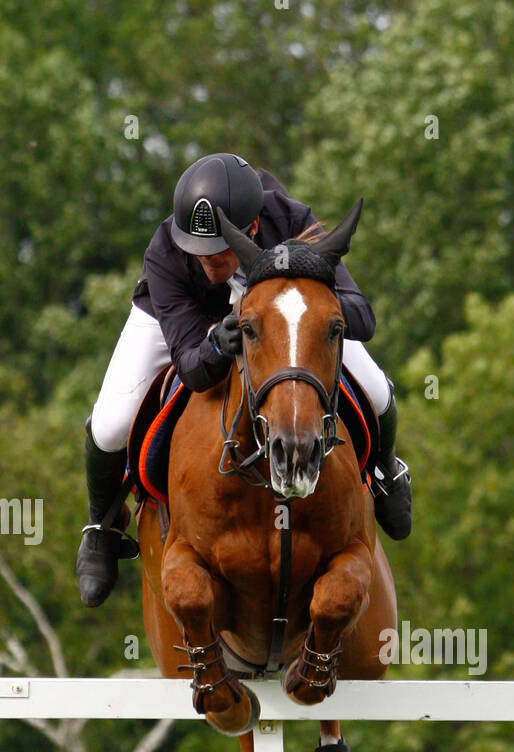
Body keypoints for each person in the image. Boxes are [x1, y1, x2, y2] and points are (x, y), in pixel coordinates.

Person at [76, 152, 411, 607]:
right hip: (186, 325)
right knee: (112, 422)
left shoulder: (292, 221)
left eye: (218, 252)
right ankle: (101, 526)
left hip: (282, 319)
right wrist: (218, 345)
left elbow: (362, 316)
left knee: (373, 385)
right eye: (199, 251)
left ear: (252, 229)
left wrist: (308, 290)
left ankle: (387, 470)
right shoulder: (168, 254)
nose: (208, 264)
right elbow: (192, 367)